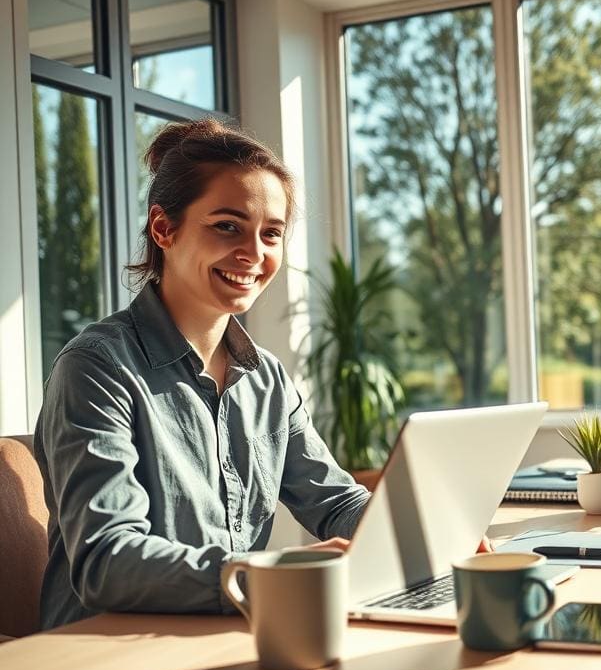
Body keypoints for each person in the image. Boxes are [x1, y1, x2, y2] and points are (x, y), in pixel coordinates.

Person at [36, 119, 369, 629]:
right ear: (163, 228)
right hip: (105, 651)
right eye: (227, 226)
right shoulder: (97, 369)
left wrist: (415, 532)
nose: (254, 254)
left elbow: (336, 500)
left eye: (272, 234)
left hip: (226, 636)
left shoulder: (267, 380)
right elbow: (107, 560)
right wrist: (267, 578)